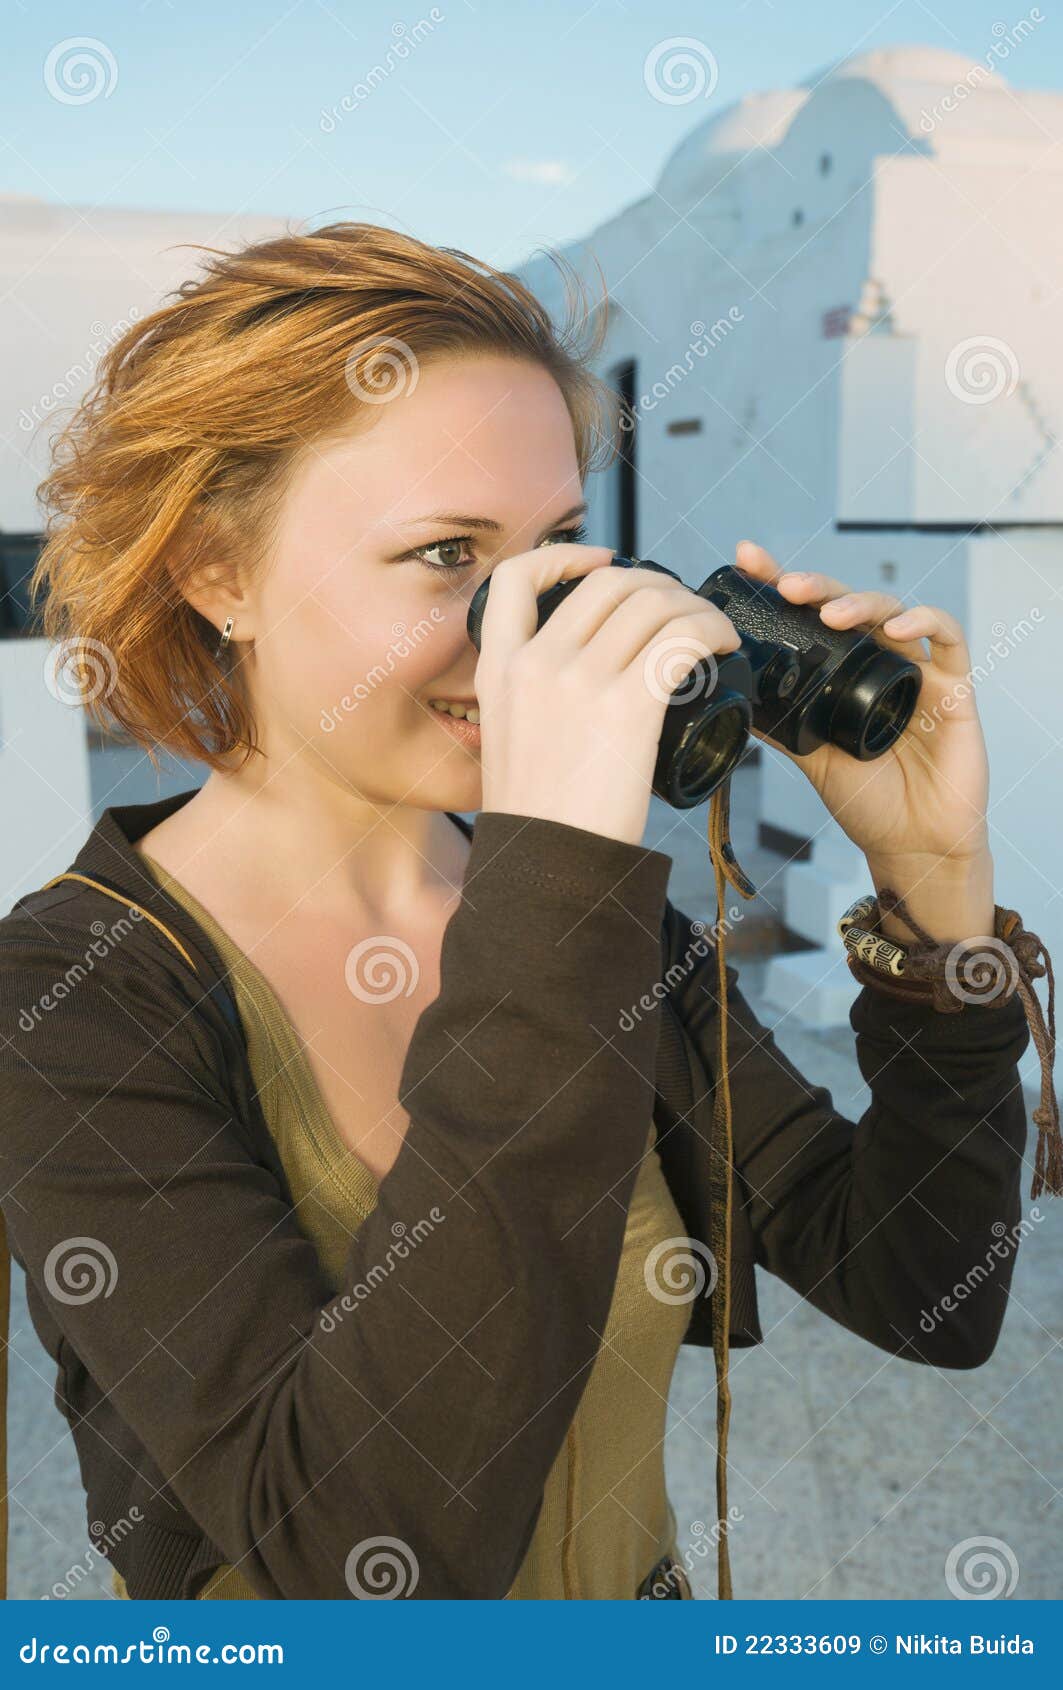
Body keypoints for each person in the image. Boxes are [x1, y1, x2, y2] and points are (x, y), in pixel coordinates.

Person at [0, 223, 1054, 1602]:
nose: (530, 625)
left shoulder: (605, 935)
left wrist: (933, 893)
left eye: (555, 549)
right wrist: (555, 867)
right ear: (221, 572)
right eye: (447, 554)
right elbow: (369, 1563)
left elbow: (927, 1286)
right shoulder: (75, 995)